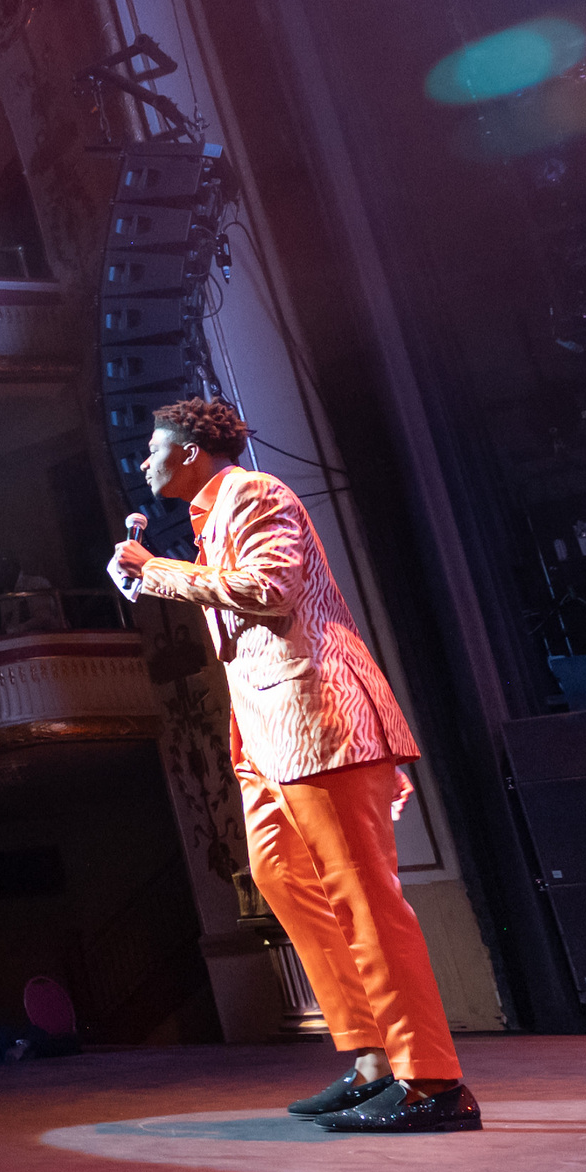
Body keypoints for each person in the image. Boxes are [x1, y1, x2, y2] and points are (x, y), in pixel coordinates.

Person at [113, 396, 478, 1134]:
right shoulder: (210, 519)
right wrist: (157, 574)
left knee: (364, 899)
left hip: (319, 720)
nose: (144, 462)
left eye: (154, 449)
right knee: (282, 879)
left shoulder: (254, 491)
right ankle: (373, 1060)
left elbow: (270, 591)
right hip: (268, 737)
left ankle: (432, 1079)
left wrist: (158, 572)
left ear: (189, 452)